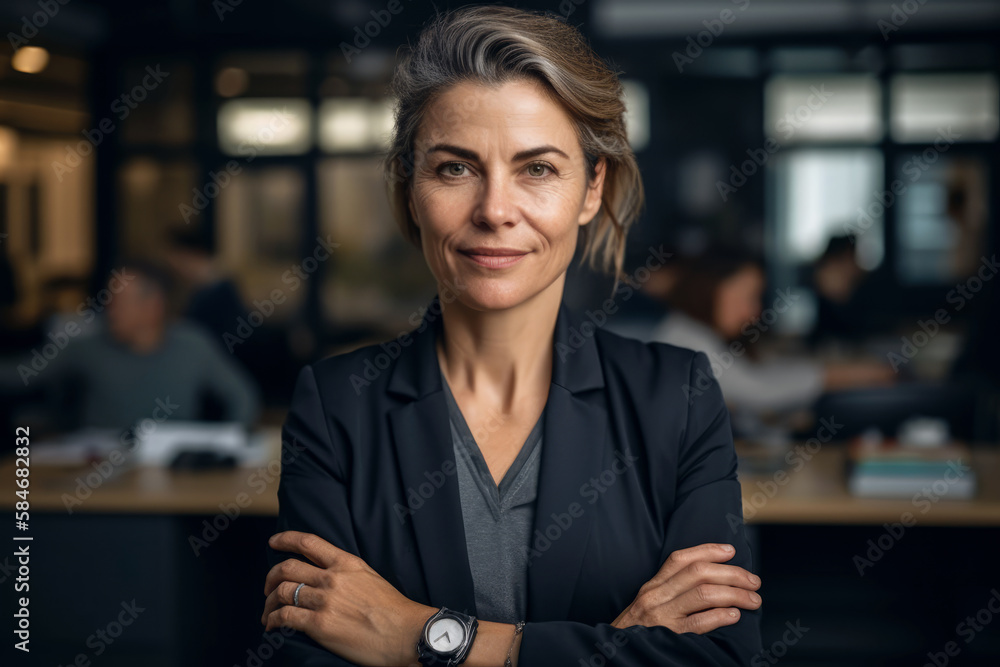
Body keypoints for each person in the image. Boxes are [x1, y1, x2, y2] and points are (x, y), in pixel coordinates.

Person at [261, 7, 762, 666]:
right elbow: (307, 658)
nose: (496, 209)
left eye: (539, 169)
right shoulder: (336, 406)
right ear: (410, 191)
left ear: (591, 189)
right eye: (454, 168)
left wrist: (423, 635)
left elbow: (721, 657)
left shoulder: (678, 397)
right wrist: (620, 641)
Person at [2, 260, 260, 430]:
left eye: (119, 302)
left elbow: (243, 398)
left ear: (153, 306)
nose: (110, 311)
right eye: (109, 300)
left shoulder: (193, 345)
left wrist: (223, 447)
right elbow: (21, 375)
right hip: (96, 469)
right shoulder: (86, 347)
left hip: (171, 469)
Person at [651, 244, 894, 417]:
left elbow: (757, 371)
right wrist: (849, 375)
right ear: (711, 289)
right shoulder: (685, 339)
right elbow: (760, 388)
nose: (755, 311)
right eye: (749, 297)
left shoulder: (695, 331)